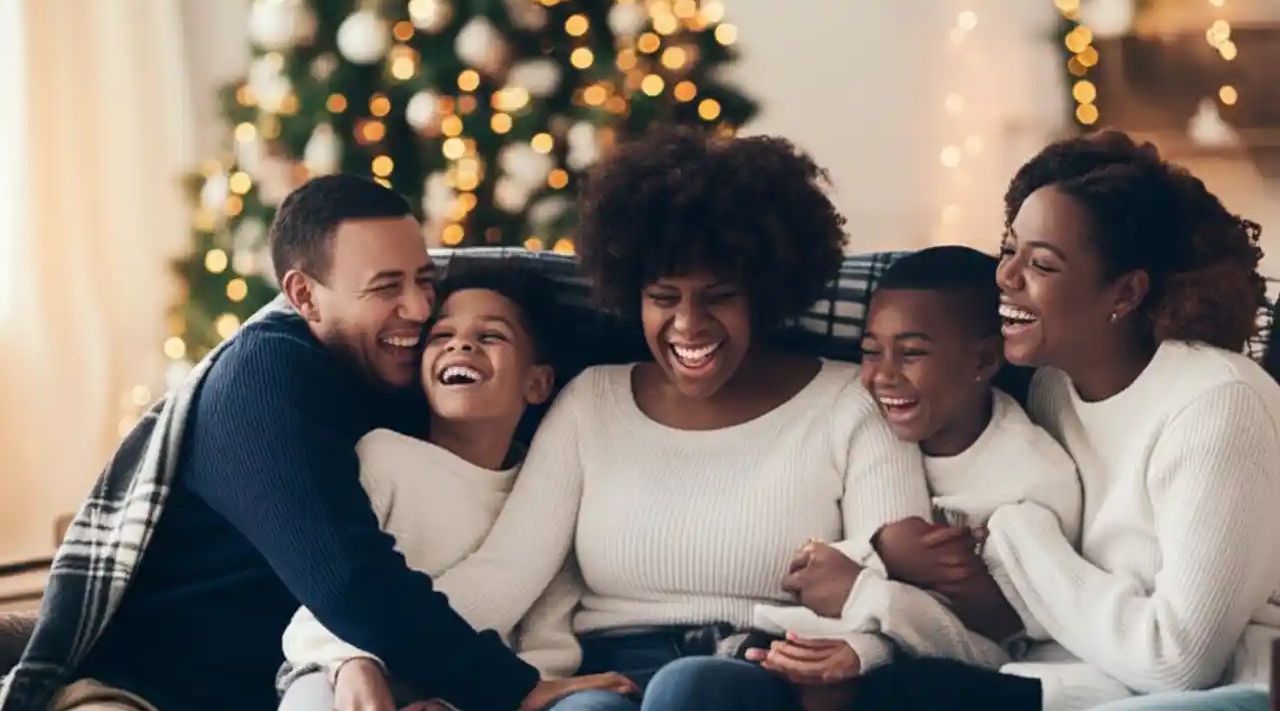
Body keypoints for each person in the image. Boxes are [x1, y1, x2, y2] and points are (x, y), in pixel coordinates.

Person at [418, 127, 933, 711]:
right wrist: (349, 647)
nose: (688, 325)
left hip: (757, 675)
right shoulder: (591, 401)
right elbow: (503, 575)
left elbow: (906, 596)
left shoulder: (850, 403)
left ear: (764, 294)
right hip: (610, 678)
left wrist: (866, 651)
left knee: (690, 689)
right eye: (664, 297)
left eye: (718, 297)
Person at [45, 176, 586, 711]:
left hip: (302, 687)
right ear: (305, 296)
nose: (421, 309)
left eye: (425, 280)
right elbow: (347, 578)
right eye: (386, 287)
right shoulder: (262, 382)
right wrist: (509, 688)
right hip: (146, 692)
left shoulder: (396, 370)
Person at [857, 130, 1280, 711]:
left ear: (1127, 292)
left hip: (1218, 694)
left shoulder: (1216, 404)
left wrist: (1021, 536)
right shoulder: (1053, 388)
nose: (1005, 278)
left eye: (1042, 265)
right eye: (1009, 250)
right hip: (1085, 680)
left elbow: (1180, 660)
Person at [278, 258, 636, 709]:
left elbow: (550, 647)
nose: (461, 345)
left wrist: (455, 704)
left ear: (538, 383)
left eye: (490, 336)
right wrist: (351, 661)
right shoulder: (385, 456)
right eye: (442, 335)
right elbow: (325, 598)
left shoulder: (549, 491)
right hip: (339, 664)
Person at [749, 246, 1082, 677]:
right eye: (871, 352)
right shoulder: (864, 423)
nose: (883, 375)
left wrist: (879, 573)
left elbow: (1012, 635)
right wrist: (885, 549)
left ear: (982, 359)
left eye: (911, 354)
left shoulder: (1036, 480)